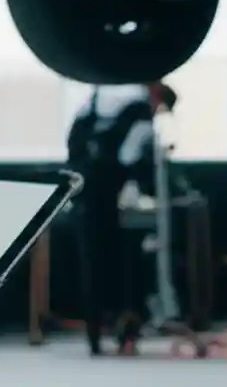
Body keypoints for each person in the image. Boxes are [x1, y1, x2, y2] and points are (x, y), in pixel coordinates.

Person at [65, 82, 176, 356]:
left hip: (82, 187)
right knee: (121, 264)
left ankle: (94, 331)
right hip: (109, 191)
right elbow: (128, 155)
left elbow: (74, 141)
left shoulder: (99, 98)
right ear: (157, 96)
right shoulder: (140, 110)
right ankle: (124, 326)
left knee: (91, 262)